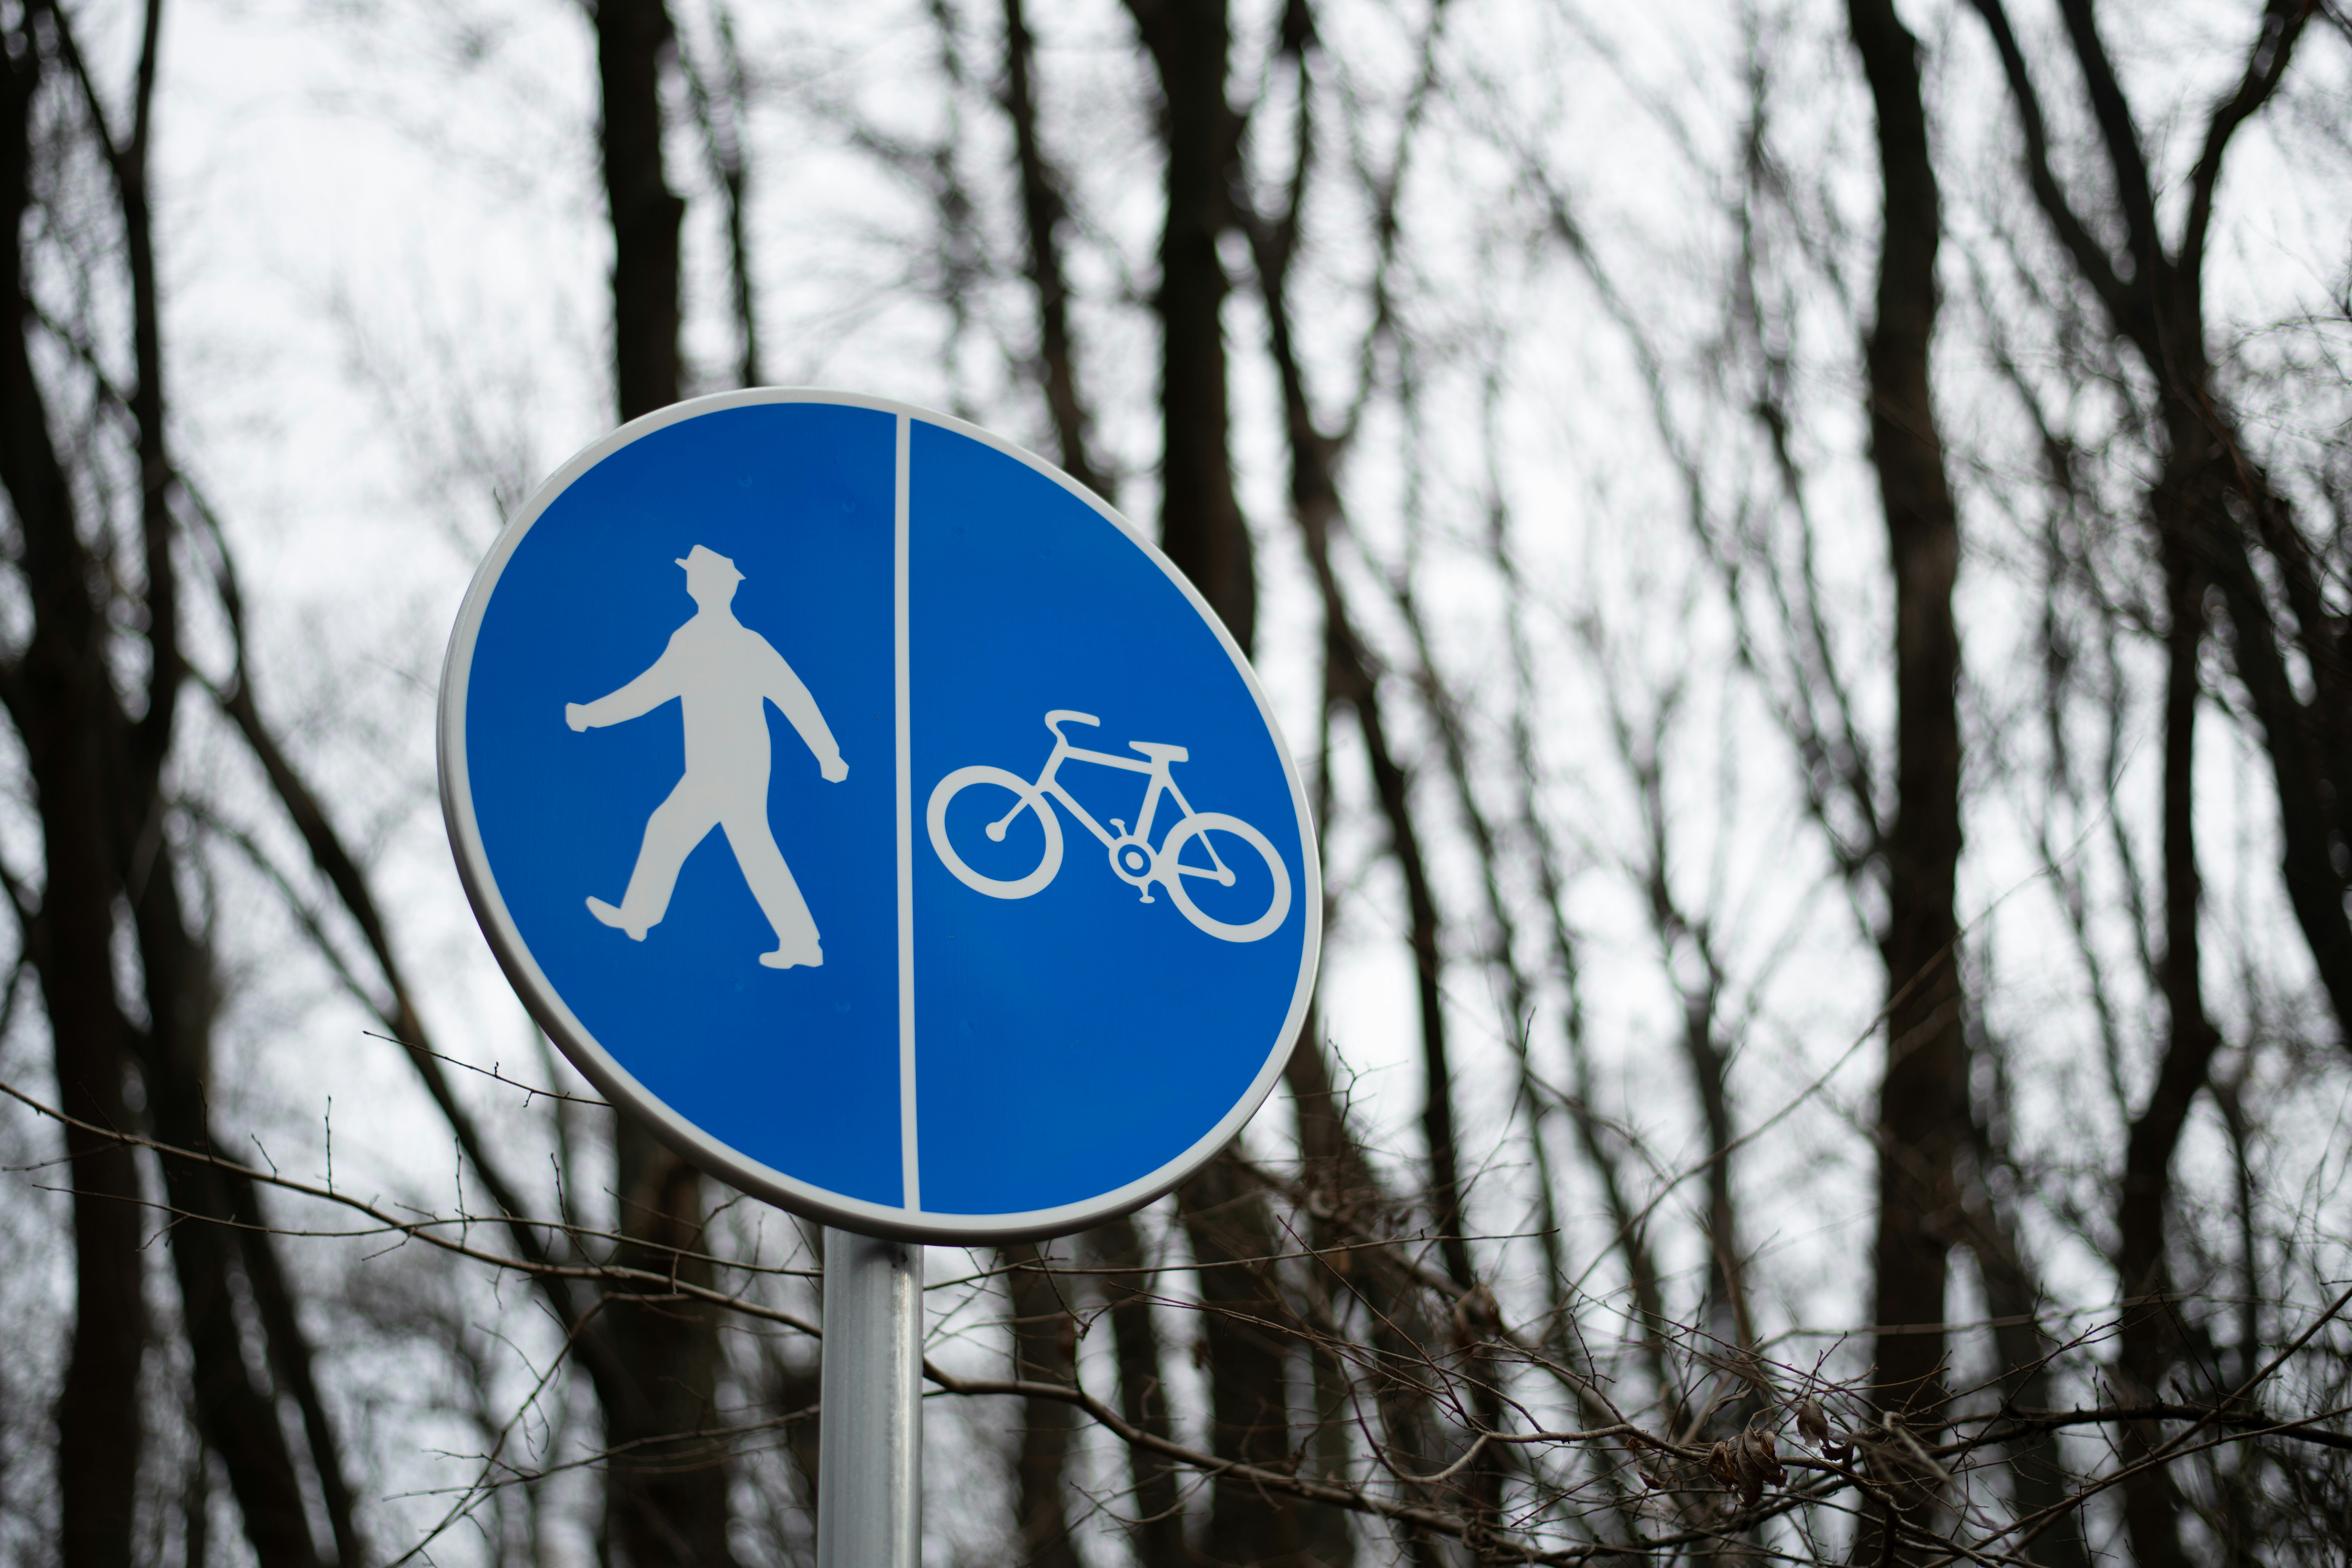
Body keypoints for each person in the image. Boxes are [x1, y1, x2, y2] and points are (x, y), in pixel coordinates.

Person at [566, 544, 849, 969]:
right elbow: (648, 691)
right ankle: (801, 942)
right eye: (691, 574)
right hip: (709, 766)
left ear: (717, 586)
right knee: (733, 842)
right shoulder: (688, 641)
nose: (691, 580)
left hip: (740, 765)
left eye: (698, 574)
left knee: (679, 830)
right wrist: (592, 715)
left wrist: (829, 754)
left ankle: (641, 918)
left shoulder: (745, 644)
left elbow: (795, 697)